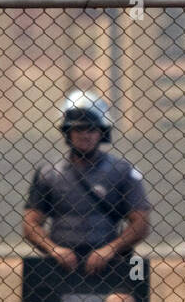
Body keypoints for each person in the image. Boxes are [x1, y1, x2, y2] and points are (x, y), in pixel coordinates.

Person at [22, 91, 151, 288]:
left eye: (91, 129)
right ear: (68, 132)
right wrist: (55, 250)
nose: (84, 134)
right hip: (61, 264)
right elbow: (30, 223)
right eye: (78, 128)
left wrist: (110, 250)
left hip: (110, 263)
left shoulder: (122, 172)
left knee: (136, 281)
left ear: (101, 132)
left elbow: (140, 222)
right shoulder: (48, 174)